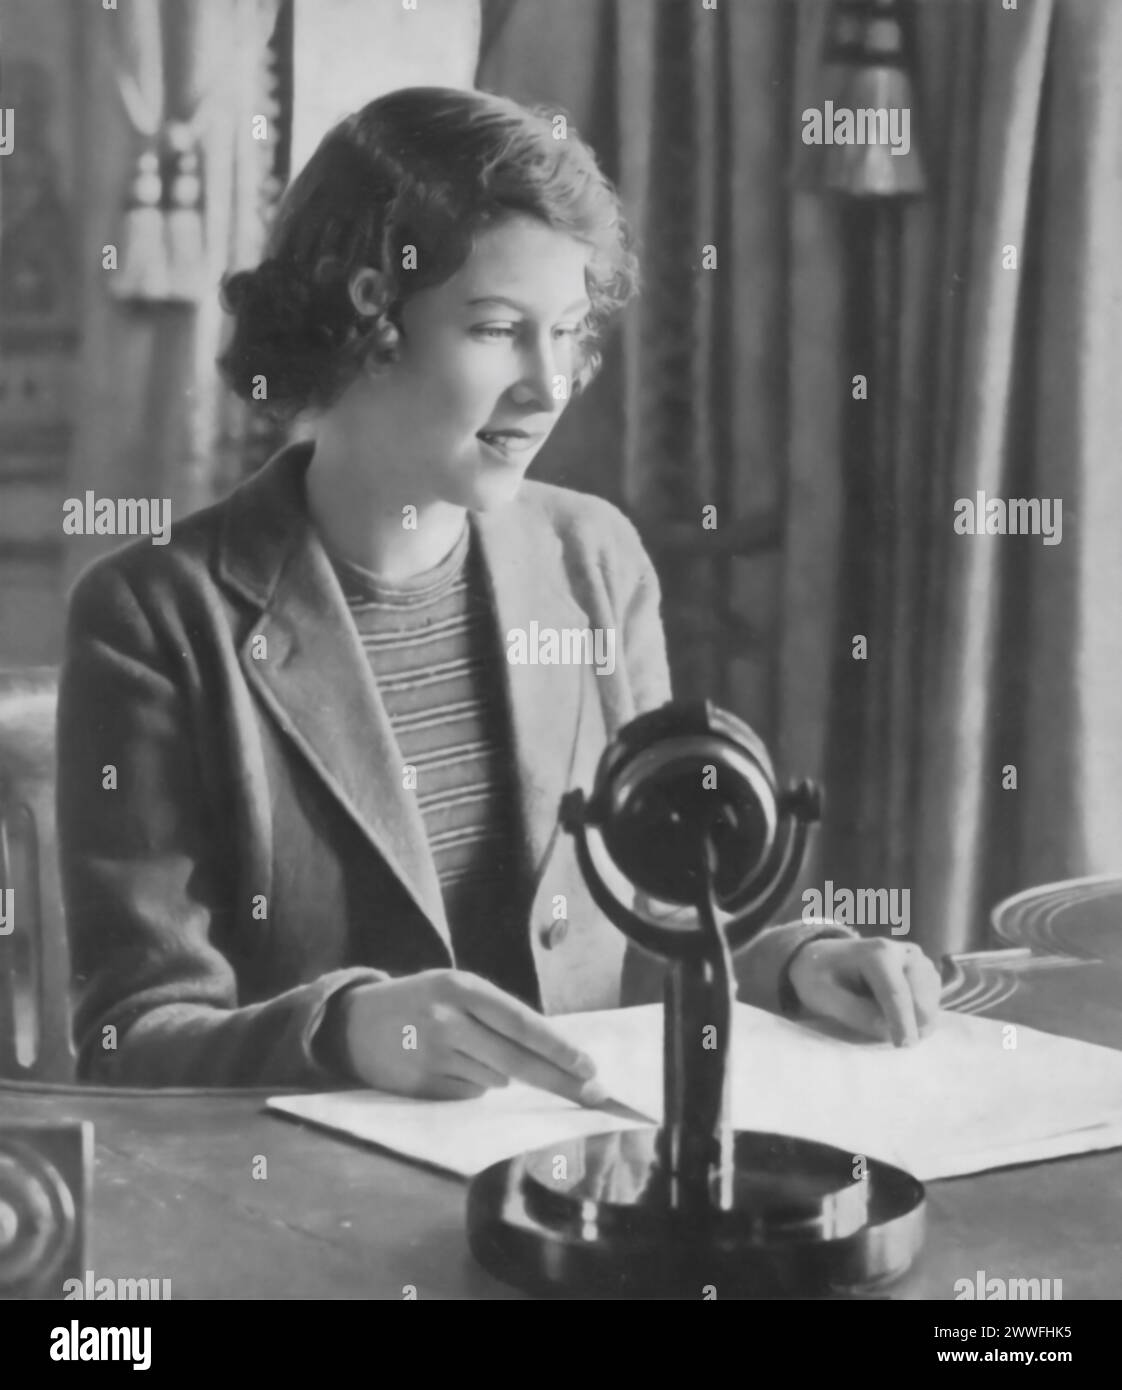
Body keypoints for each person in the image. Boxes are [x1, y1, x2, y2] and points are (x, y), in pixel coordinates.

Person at [57, 86, 939, 1094]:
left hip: (579, 1194)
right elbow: (129, 1038)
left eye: (567, 332)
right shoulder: (154, 617)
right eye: (496, 329)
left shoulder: (594, 559)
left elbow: (656, 904)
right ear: (366, 324)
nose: (549, 383)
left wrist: (797, 960)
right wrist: (348, 1031)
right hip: (305, 1215)